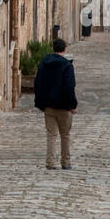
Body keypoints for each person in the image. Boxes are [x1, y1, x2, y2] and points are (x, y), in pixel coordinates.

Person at [33, 37, 77, 170]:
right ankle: (66, 162)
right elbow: (69, 87)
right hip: (64, 107)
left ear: (53, 49)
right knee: (65, 135)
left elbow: (37, 83)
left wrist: (41, 102)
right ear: (64, 50)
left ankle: (50, 163)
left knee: (51, 135)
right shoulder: (67, 66)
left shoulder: (44, 64)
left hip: (49, 106)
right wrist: (73, 105)